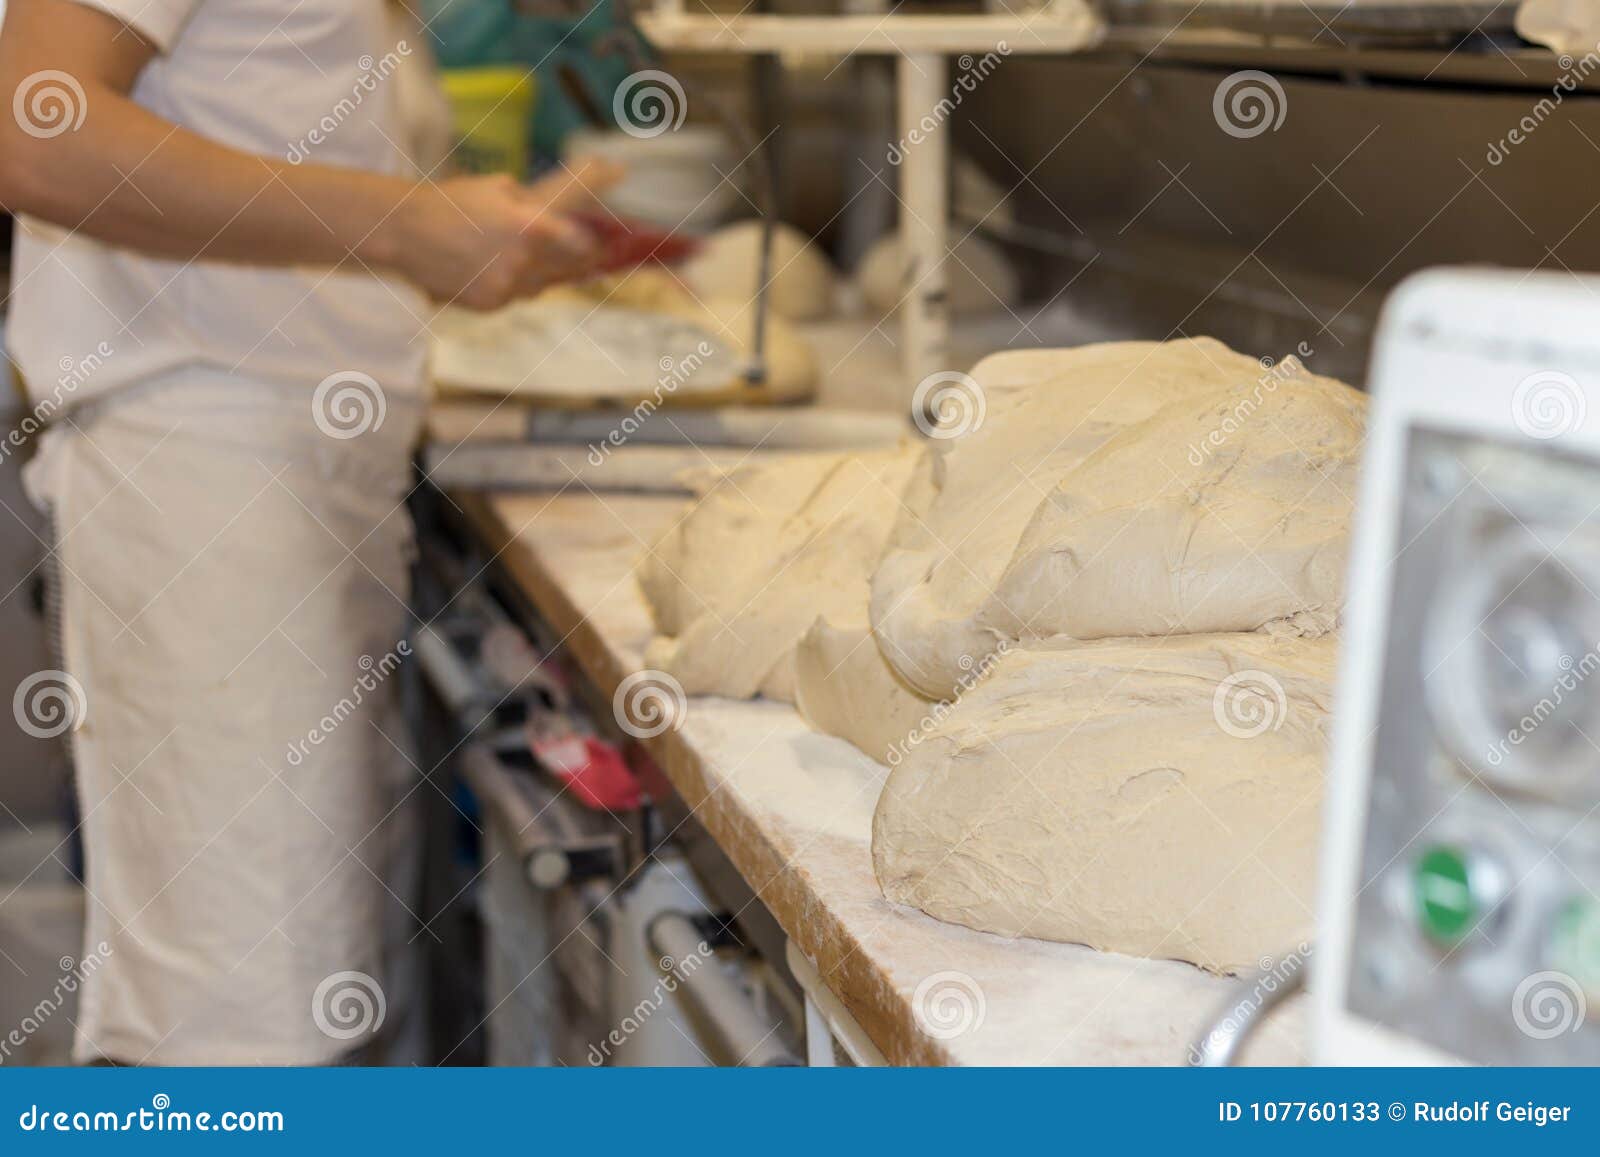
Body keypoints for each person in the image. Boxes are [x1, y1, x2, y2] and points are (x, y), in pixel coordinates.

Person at [0, 0, 617, 1064]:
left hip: (298, 475)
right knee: (242, 1026)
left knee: (317, 988)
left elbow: (259, 126)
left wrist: (457, 244)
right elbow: (36, 129)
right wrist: (413, 227)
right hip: (213, 486)